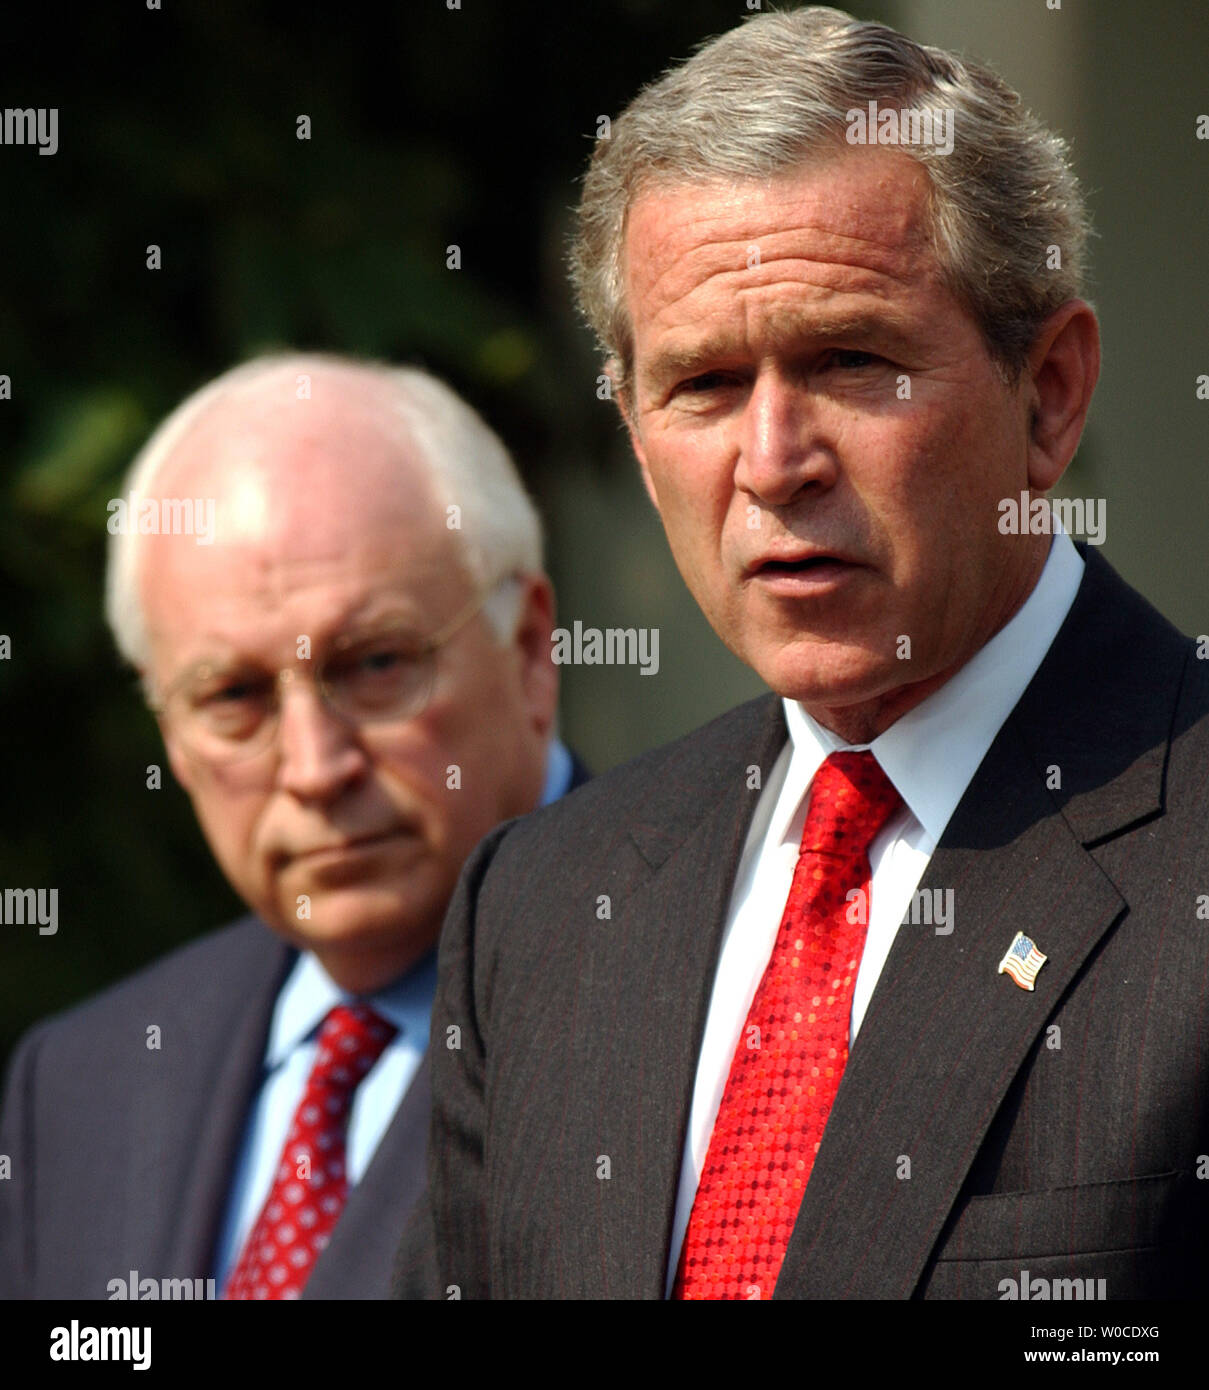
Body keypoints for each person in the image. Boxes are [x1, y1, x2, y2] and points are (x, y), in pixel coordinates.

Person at [397, 7, 1209, 1300]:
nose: (771, 464)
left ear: (1047, 394)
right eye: (703, 385)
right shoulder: (539, 906)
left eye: (850, 360)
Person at [0, 352, 585, 1300]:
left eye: (377, 664)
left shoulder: (697, 998)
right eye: (232, 696)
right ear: (172, 740)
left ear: (526, 652)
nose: (315, 767)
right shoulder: (78, 1087)